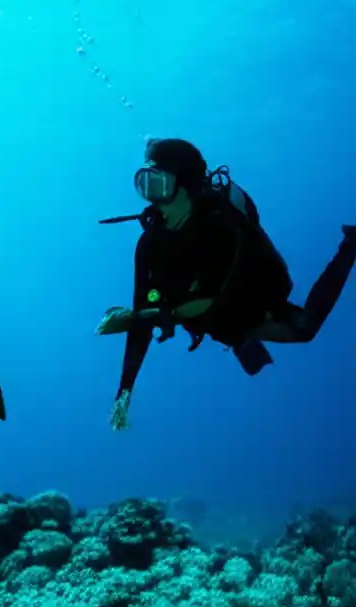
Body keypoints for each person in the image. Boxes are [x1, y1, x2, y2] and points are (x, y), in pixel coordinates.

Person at [96, 137, 354, 429]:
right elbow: (144, 311)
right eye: (145, 186)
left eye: (159, 185)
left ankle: (351, 245)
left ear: (186, 185)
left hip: (250, 297)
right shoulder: (149, 246)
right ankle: (239, 339)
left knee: (305, 328)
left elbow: (208, 295)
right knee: (227, 328)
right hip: (213, 318)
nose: (153, 198)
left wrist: (138, 317)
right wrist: (124, 393)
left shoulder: (218, 228)